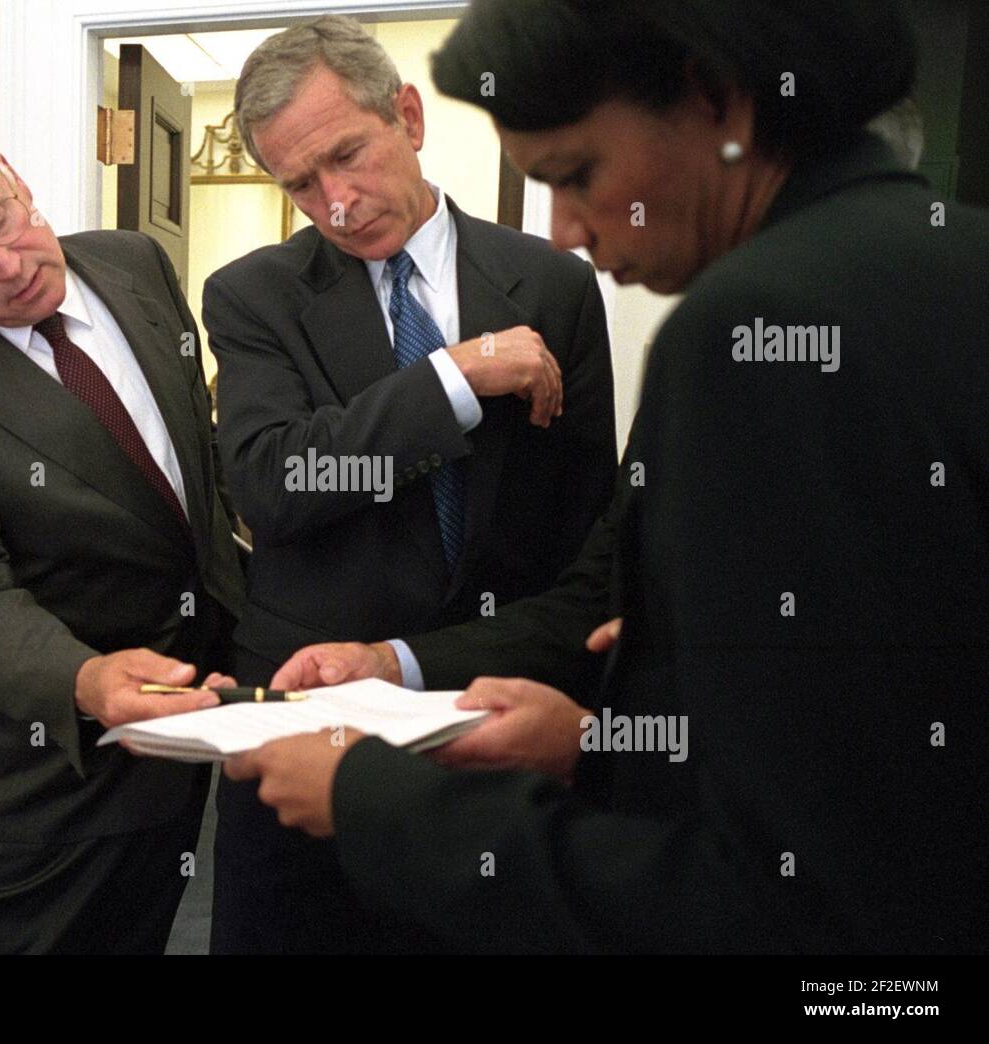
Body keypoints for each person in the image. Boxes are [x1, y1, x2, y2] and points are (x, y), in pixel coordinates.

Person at [227, 0, 989, 953]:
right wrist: (610, 726)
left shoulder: (749, 325)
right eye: (301, 184)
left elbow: (785, 891)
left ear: (717, 106)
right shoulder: (955, 259)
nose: (572, 229)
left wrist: (372, 795)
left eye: (578, 175)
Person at [202, 15, 618, 952]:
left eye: (347, 156)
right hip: (310, 714)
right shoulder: (251, 294)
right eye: (300, 184)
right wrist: (452, 379)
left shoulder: (553, 286)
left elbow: (589, 540)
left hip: (493, 705)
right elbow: (272, 483)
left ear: (409, 116)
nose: (337, 203)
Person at [0, 117, 245, 954]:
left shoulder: (134, 261)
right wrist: (88, 679)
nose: (9, 265)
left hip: (209, 690)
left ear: (15, 177)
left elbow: (189, 464)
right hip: (64, 764)